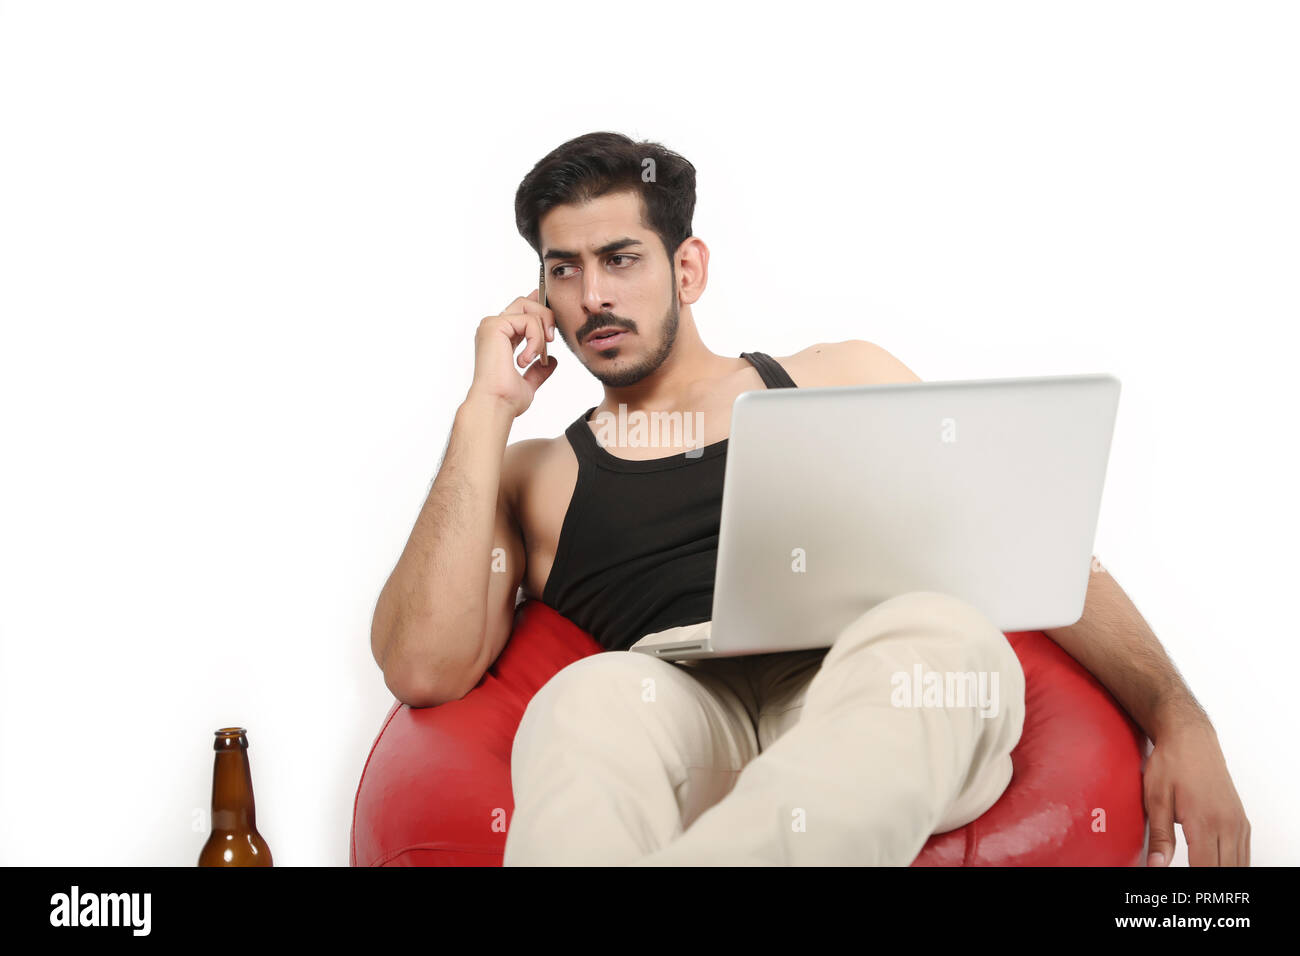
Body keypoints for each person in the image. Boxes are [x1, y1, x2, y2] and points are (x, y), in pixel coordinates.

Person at [370, 131, 1250, 866]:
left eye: (620, 258)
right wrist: (484, 409)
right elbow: (422, 666)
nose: (592, 294)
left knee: (944, 642)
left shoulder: (841, 377)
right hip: (680, 709)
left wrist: (1181, 721)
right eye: (563, 271)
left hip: (864, 686)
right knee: (584, 699)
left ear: (688, 269)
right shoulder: (535, 476)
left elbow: (1035, 549)